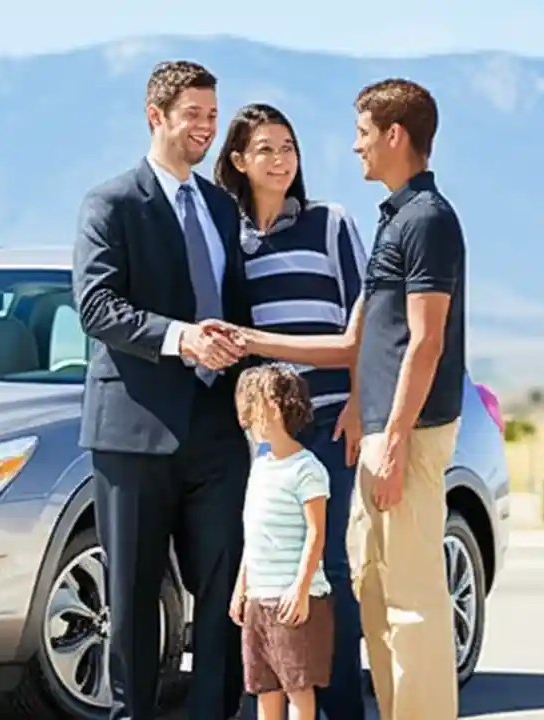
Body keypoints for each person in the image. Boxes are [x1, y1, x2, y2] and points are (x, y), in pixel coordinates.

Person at [206, 78, 465, 720]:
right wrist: (248, 339)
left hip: (395, 430)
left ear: (394, 136)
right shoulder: (397, 219)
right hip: (379, 429)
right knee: (379, 595)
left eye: (364, 134)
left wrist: (392, 433)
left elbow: (424, 343)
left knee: (408, 601)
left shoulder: (426, 220)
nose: (355, 148)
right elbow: (358, 338)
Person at [72, 59, 253, 720]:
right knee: (134, 597)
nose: (206, 127)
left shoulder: (219, 208)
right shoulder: (112, 203)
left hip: (217, 430)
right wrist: (182, 338)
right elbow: (96, 308)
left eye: (213, 114)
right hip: (135, 432)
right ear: (157, 116)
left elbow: (237, 306)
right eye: (194, 115)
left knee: (221, 593)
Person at [212, 103, 367, 720]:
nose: (280, 160)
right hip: (264, 439)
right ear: (239, 161)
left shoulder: (331, 223)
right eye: (266, 149)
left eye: (288, 148)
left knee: (327, 566)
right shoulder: (232, 239)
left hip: (329, 423)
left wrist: (359, 401)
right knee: (270, 565)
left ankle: (343, 708)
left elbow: (363, 320)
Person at [229, 362, 335, 720]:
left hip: (293, 600)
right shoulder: (260, 467)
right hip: (260, 597)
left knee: (298, 687)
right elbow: (254, 534)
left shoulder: (307, 469)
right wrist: (242, 587)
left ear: (274, 407)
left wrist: (300, 589)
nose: (246, 418)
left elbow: (317, 532)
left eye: (253, 407)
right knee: (265, 687)